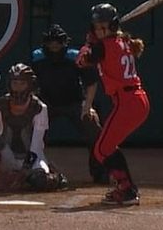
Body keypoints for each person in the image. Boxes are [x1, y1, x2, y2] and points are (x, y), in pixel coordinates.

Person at [76, 3, 150, 206]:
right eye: (97, 27)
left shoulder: (104, 46)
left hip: (128, 103)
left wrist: (88, 45)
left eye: (103, 27)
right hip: (134, 101)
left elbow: (81, 61)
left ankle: (127, 190)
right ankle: (126, 188)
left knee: (101, 149)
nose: (99, 30)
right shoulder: (121, 40)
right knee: (106, 147)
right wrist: (95, 43)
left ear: (112, 25)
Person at [31, 24, 107, 183]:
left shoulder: (75, 57)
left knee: (94, 130)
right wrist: (32, 106)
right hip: (46, 104)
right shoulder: (37, 58)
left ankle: (101, 172)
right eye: (51, 42)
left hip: (74, 102)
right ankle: (29, 170)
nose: (54, 46)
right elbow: (30, 83)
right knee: (29, 132)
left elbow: (92, 82)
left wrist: (88, 107)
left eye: (58, 42)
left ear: (64, 43)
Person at [0, 63, 67, 192]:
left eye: (22, 83)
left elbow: (36, 145)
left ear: (30, 85)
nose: (18, 88)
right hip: (9, 156)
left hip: (32, 157)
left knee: (39, 181)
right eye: (15, 83)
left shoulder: (39, 108)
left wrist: (25, 170)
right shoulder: (0, 104)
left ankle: (56, 177)